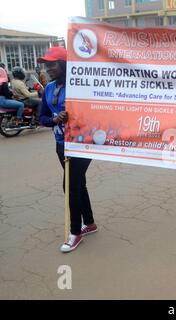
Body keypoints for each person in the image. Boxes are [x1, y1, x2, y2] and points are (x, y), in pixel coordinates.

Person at [38, 47, 97, 253]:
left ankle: (75, 233)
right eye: (46, 65)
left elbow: (95, 113)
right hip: (61, 145)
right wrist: (54, 119)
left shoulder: (80, 86)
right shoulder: (48, 88)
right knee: (78, 184)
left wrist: (74, 117)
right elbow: (42, 117)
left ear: (64, 64)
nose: (48, 68)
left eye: (52, 64)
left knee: (70, 187)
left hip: (82, 144)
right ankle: (89, 223)